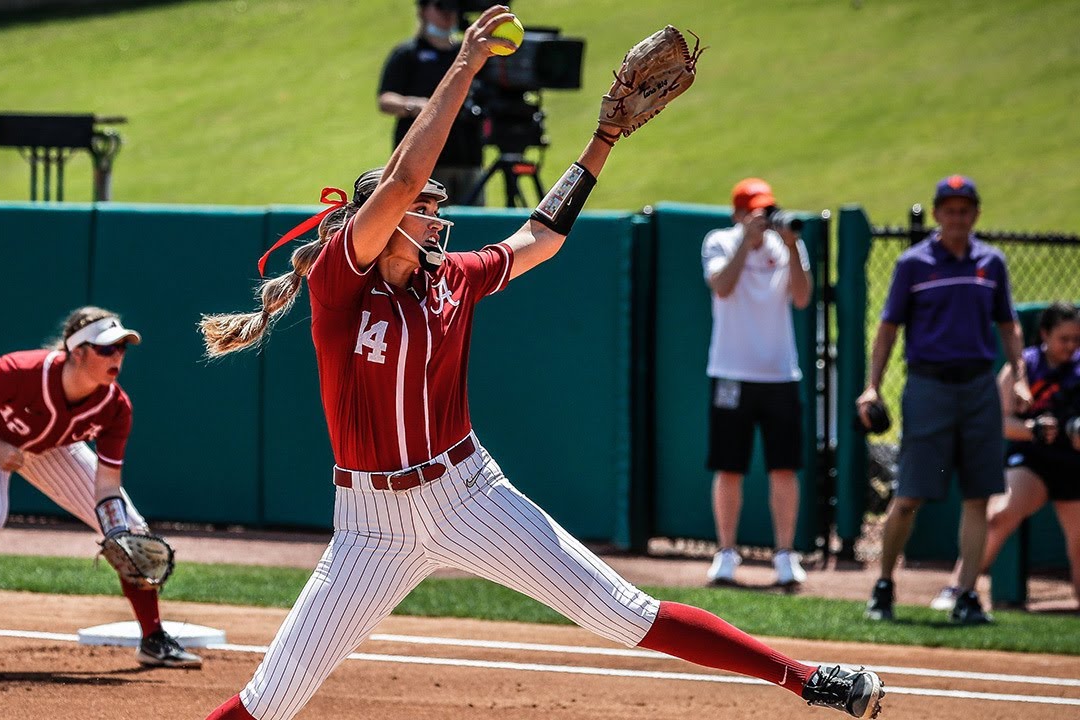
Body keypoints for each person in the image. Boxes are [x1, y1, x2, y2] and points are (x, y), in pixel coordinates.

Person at [197, 10, 882, 720]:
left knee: (622, 612)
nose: (438, 219)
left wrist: (604, 138)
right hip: (370, 524)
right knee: (271, 700)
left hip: (468, 494)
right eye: (428, 211)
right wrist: (464, 65)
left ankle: (808, 679)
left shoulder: (452, 278)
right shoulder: (342, 284)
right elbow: (402, 180)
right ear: (386, 218)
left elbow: (542, 235)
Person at [0, 306, 202, 673]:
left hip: (51, 445)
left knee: (130, 529)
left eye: (122, 348)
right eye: (106, 349)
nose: (117, 356)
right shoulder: (25, 370)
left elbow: (107, 485)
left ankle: (153, 640)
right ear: (77, 352)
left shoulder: (115, 407)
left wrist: (118, 533)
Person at [857, 174, 1031, 625]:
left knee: (978, 495)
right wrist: (872, 384)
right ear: (936, 214)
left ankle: (968, 594)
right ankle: (884, 585)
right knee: (910, 492)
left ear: (975, 213)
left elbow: (1009, 327)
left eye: (964, 209)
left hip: (977, 386)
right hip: (929, 386)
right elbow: (888, 329)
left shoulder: (991, 264)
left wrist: (1023, 378)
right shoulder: (913, 264)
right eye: (949, 209)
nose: (957, 217)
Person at [931, 302, 1080, 610]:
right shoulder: (1023, 367)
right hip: (1033, 460)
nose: (1071, 346)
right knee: (998, 515)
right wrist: (1034, 429)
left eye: (1076, 339)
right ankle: (959, 588)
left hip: (1074, 464)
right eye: (1064, 338)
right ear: (1044, 335)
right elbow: (998, 421)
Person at [701, 178, 813, 587]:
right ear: (737, 214)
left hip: (781, 375)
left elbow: (802, 298)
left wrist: (790, 248)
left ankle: (785, 555)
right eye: (755, 212)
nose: (764, 219)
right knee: (729, 467)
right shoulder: (718, 241)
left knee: (784, 468)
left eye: (768, 210)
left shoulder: (787, 247)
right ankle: (726, 553)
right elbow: (722, 287)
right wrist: (744, 243)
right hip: (731, 372)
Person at [377, 0, 485, 206]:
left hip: (468, 155)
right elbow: (385, 99)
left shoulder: (469, 54)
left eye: (453, 7)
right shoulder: (408, 53)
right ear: (423, 11)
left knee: (472, 222)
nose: (448, 14)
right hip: (425, 157)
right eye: (440, 6)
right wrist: (418, 106)